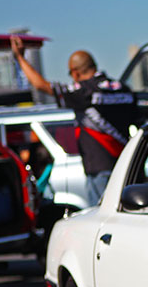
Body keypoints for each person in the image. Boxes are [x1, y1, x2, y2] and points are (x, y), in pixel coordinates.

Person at [10, 36, 137, 205]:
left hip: (100, 169)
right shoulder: (123, 89)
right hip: (127, 164)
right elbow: (139, 121)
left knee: (102, 222)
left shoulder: (83, 92)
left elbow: (40, 85)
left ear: (75, 72)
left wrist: (20, 57)